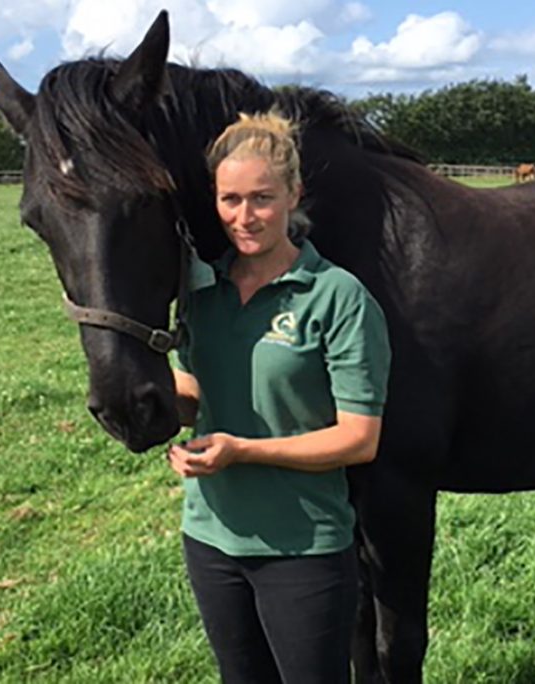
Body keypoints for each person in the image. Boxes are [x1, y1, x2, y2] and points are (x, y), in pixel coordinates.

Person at [165, 110, 391, 683]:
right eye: (230, 199)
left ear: (294, 194)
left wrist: (243, 450)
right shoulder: (202, 290)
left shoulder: (338, 298)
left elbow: (359, 439)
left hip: (305, 548)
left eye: (262, 198)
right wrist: (155, 394)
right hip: (211, 539)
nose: (244, 217)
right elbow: (194, 384)